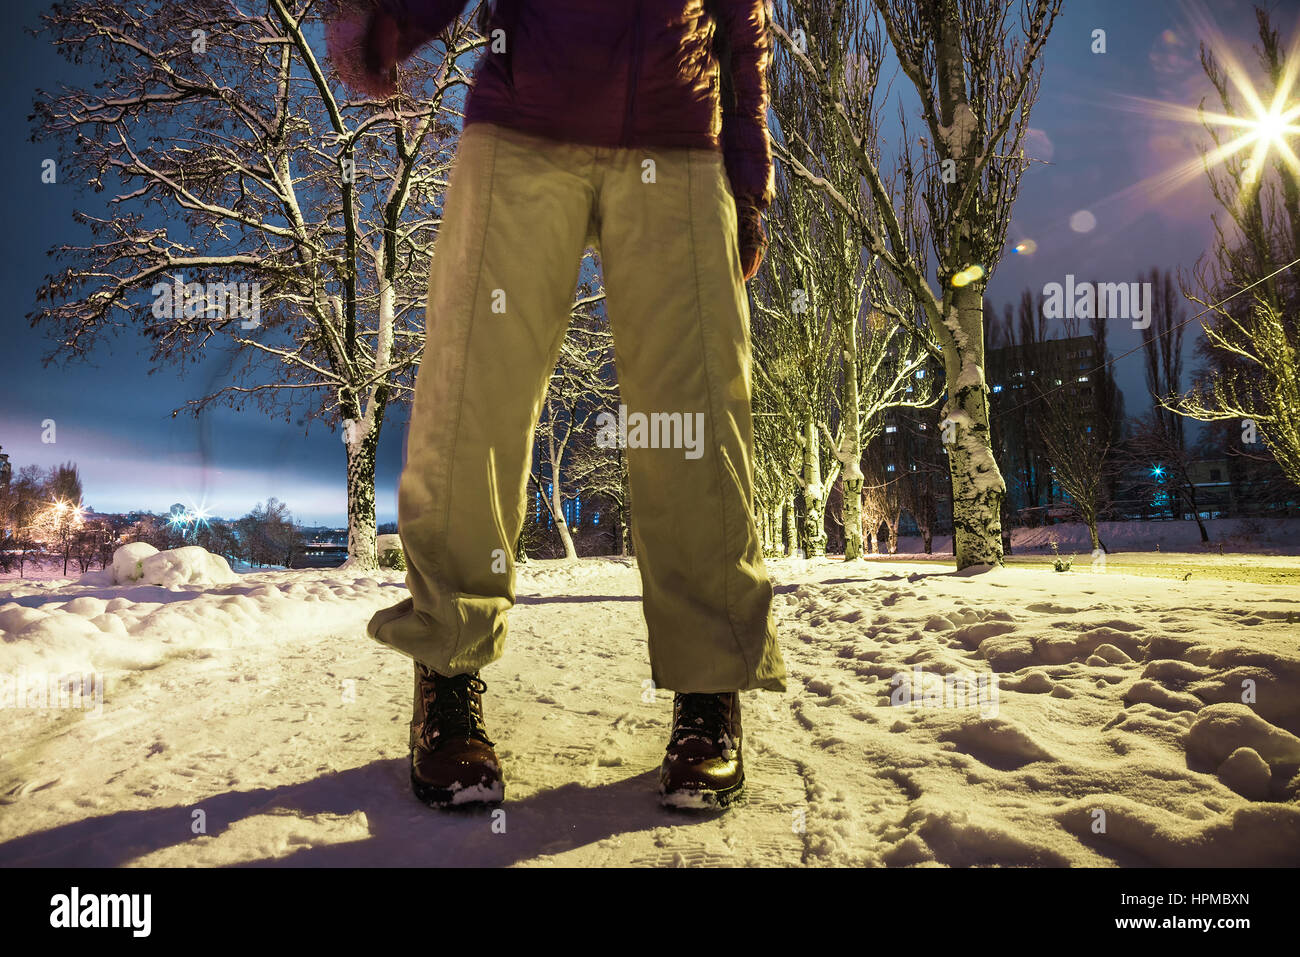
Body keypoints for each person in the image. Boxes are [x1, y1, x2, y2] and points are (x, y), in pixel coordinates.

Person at [326, 0, 788, 811]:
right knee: (473, 399)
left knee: (697, 419)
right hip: (522, 121)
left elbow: (742, 21)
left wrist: (748, 177)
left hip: (679, 128)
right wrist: (387, 19)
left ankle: (709, 691)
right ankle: (449, 671)